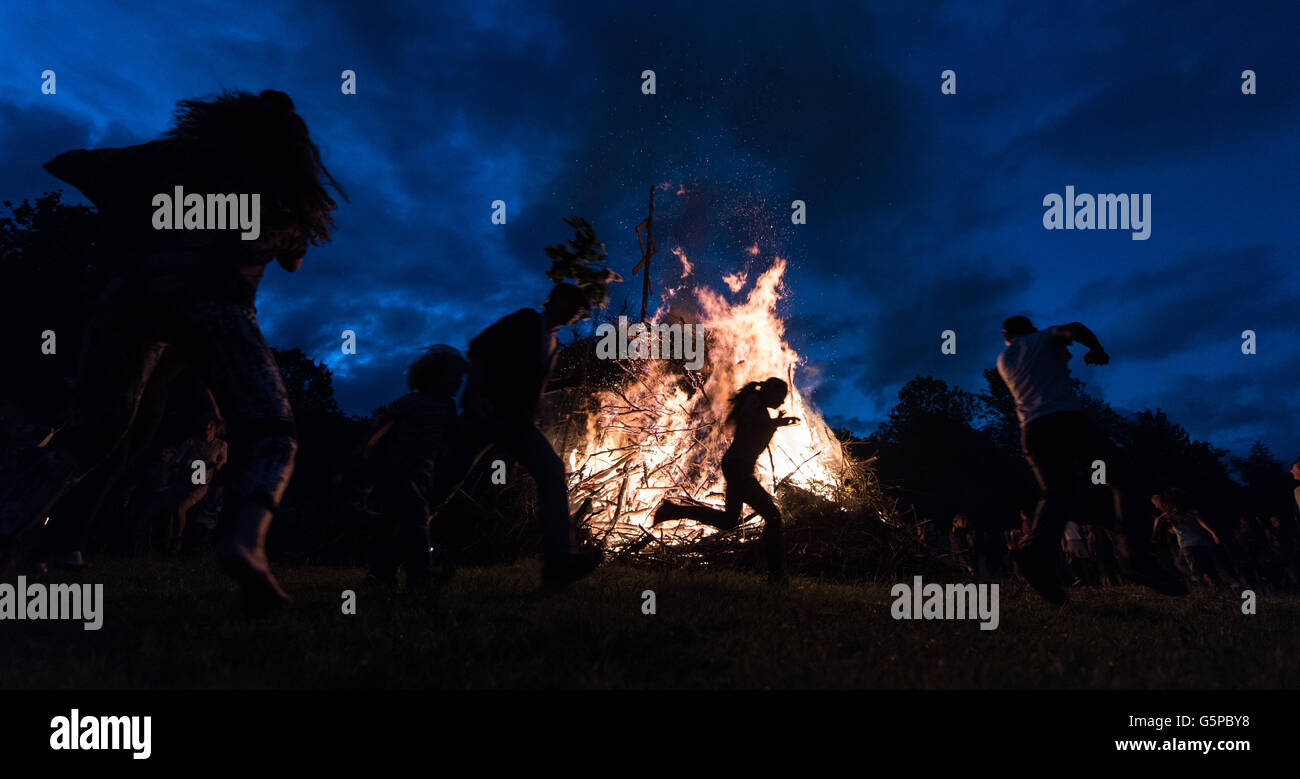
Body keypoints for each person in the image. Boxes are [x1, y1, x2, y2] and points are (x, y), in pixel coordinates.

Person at [0, 89, 343, 614]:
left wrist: (135, 198)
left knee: (91, 436)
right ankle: (245, 542)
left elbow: (67, 163)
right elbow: (294, 262)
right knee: (272, 435)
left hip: (133, 299)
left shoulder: (168, 160)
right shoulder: (285, 190)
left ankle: (11, 527)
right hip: (220, 308)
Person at [996, 315, 1185, 604]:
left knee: (1056, 495)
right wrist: (1096, 349)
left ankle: (1034, 558)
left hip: (1032, 432)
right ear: (1030, 329)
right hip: (1066, 421)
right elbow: (1076, 329)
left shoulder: (1004, 359)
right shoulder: (1043, 337)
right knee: (1123, 477)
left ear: (1007, 337)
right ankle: (1135, 558)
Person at [443, 283, 602, 590]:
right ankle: (386, 562)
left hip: (516, 423)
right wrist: (475, 398)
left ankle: (558, 564)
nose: (575, 313)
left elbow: (531, 388)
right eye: (571, 305)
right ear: (554, 300)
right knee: (445, 481)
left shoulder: (552, 341)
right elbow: (478, 347)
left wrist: (564, 383)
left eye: (578, 310)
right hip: (486, 414)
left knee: (552, 472)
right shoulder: (526, 320)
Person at [652, 377, 799, 583]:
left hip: (738, 467)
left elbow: (756, 425)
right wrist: (776, 422)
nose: (781, 402)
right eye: (780, 397)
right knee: (773, 517)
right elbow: (749, 419)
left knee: (729, 520)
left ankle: (673, 510)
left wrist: (776, 423)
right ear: (770, 392)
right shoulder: (754, 400)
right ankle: (777, 575)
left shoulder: (758, 404)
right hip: (738, 468)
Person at [362, 345, 465, 590]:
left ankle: (379, 576)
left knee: (399, 527)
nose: (458, 383)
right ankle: (420, 578)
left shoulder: (448, 407)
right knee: (417, 521)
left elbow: (452, 438)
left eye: (460, 378)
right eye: (453, 376)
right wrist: (365, 447)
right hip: (397, 471)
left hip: (421, 475)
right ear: (434, 376)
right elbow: (383, 420)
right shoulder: (413, 402)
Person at [167, 417, 228, 552]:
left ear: (215, 429)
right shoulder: (191, 443)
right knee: (173, 512)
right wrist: (183, 464)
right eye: (204, 427)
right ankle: (168, 543)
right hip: (184, 482)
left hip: (201, 485)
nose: (206, 430)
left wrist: (216, 465)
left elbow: (222, 461)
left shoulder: (220, 445)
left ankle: (177, 540)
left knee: (180, 509)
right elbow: (175, 460)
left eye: (210, 427)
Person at [1150, 488, 1225, 587]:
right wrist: (1212, 533)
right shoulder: (1190, 511)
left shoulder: (1169, 514)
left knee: (1190, 567)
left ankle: (1204, 585)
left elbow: (1158, 521)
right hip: (1201, 542)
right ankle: (1213, 582)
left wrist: (1154, 534)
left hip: (1187, 545)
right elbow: (1201, 522)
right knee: (1207, 565)